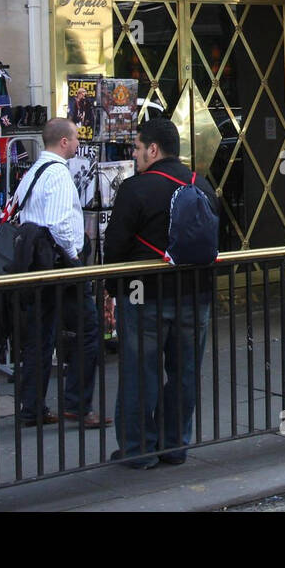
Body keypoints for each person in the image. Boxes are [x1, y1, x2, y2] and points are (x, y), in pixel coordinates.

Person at [103, 118, 219, 469]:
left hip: (144, 296)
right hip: (195, 295)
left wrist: (111, 291)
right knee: (184, 373)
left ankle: (139, 450)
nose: (135, 155)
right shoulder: (202, 185)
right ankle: (175, 446)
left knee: (141, 371)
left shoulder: (135, 189)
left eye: (137, 148)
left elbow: (115, 246)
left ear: (153, 149)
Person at [14, 118, 107, 430]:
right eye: (75, 139)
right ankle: (77, 405)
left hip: (37, 265)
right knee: (89, 329)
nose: (78, 144)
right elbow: (58, 225)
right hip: (59, 264)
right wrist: (75, 258)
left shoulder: (33, 172)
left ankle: (32, 408)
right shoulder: (59, 176)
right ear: (64, 142)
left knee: (40, 335)